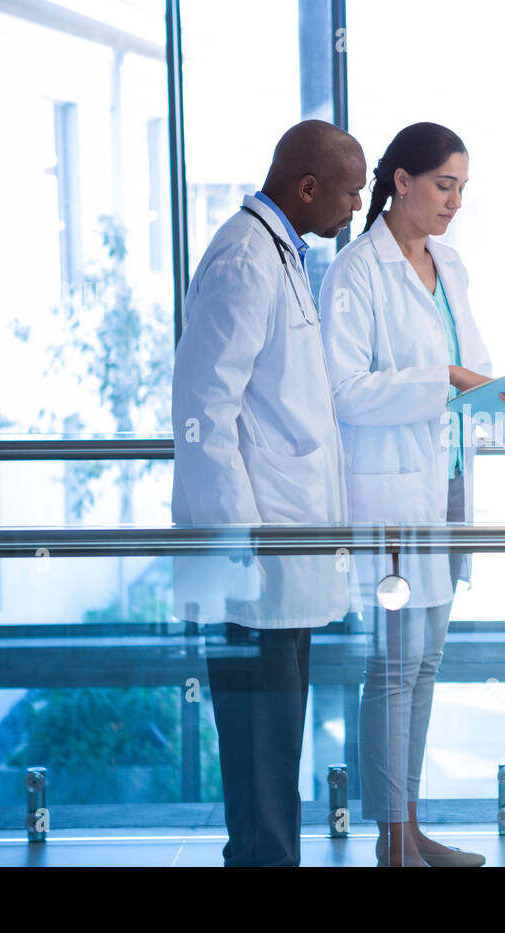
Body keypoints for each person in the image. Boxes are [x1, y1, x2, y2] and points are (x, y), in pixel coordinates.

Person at [319, 122, 505, 866]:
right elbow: (345, 393)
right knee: (392, 665)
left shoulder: (449, 267)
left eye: (462, 188)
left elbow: (474, 383)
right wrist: (447, 379)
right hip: (390, 496)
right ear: (402, 181)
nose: (455, 201)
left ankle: (410, 828)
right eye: (444, 185)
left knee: (425, 663)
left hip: (446, 486)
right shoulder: (357, 274)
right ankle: (392, 844)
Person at [171, 119, 366, 866]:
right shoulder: (246, 260)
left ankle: (266, 860)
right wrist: (236, 547)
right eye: (349, 194)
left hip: (283, 550)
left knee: (275, 744)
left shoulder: (281, 254)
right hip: (254, 556)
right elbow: (202, 411)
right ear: (307, 188)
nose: (355, 207)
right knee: (263, 746)